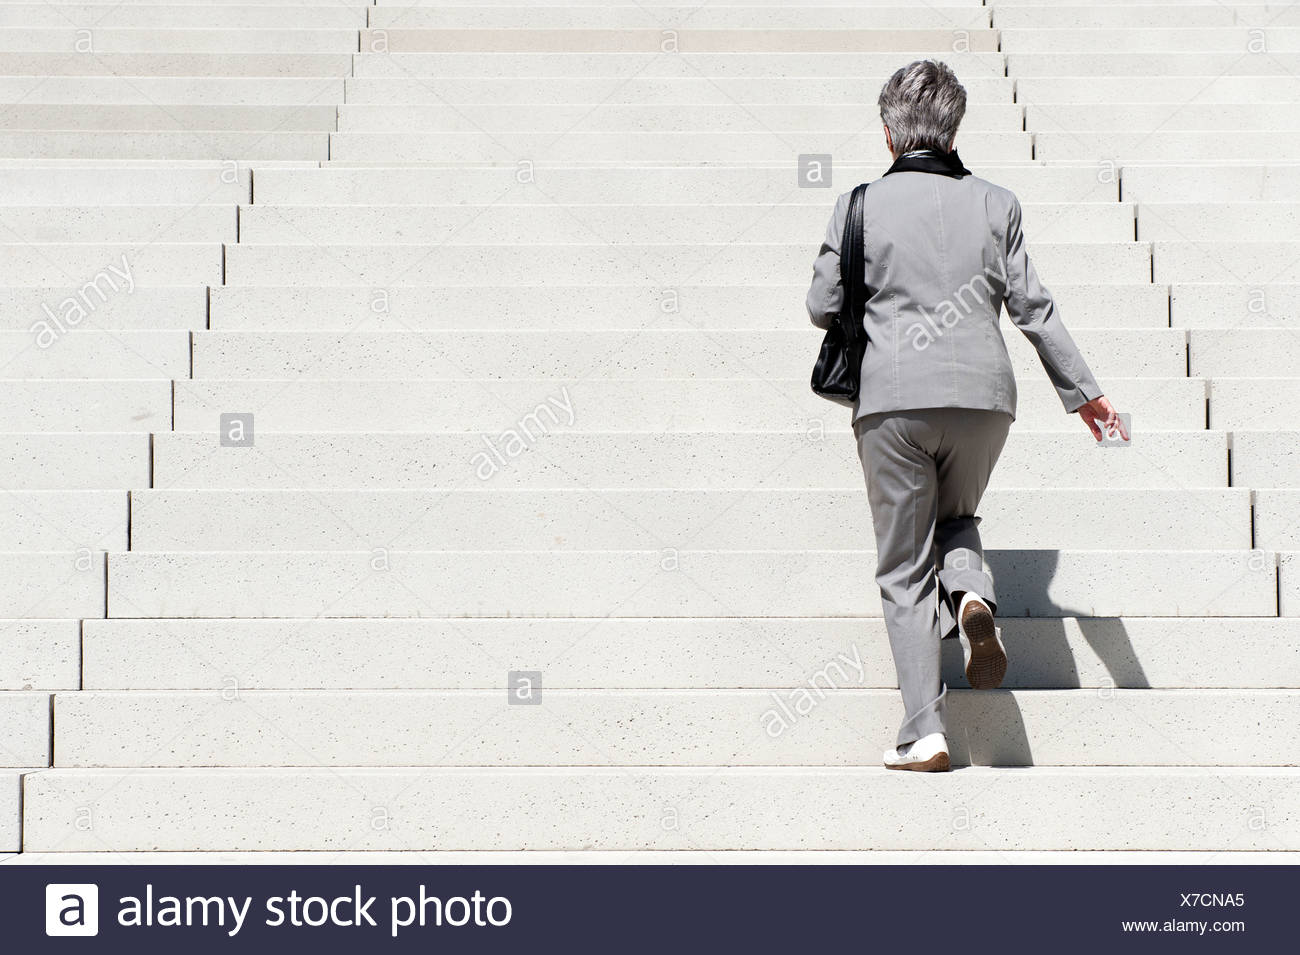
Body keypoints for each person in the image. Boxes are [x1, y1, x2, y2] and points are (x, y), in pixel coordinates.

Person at [805, 59, 1127, 773]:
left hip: (892, 400)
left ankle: (926, 728)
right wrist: (1087, 395)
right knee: (956, 518)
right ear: (952, 130)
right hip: (985, 402)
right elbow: (1033, 309)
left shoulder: (857, 205)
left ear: (889, 134)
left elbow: (822, 306)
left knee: (903, 566)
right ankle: (974, 595)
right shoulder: (997, 203)